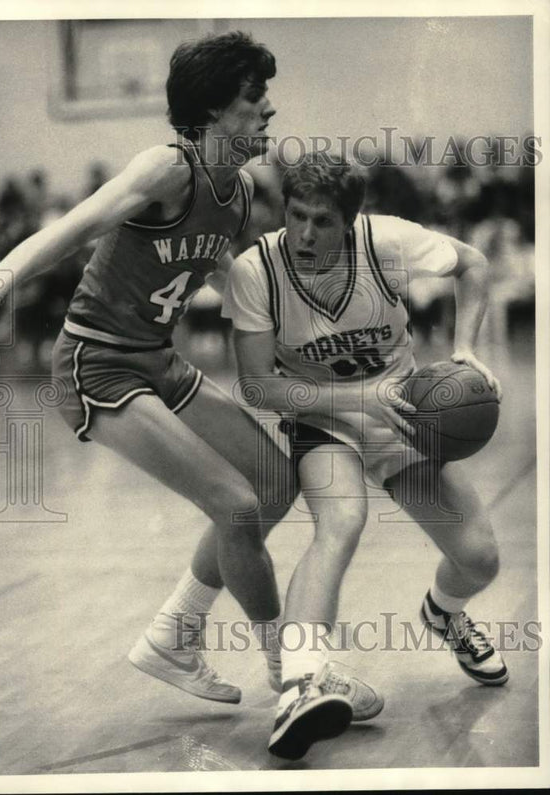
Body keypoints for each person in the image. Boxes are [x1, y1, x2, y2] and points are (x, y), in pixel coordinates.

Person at [0, 30, 300, 706]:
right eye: (255, 97)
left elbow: (227, 279)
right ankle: (291, 672)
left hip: (156, 359)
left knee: (275, 481)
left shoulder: (238, 192)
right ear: (216, 110)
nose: (269, 109)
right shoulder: (168, 169)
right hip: (95, 364)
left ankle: (171, 635)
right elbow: (74, 226)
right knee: (237, 504)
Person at [222, 152, 508, 759]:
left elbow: (474, 264)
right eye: (296, 215)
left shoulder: (389, 242)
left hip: (401, 410)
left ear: (351, 221)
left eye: (322, 221)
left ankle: (444, 611)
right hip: (321, 416)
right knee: (340, 522)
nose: (305, 233)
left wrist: (466, 351)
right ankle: (300, 683)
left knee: (480, 559)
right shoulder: (256, 271)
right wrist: (359, 397)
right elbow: (256, 386)